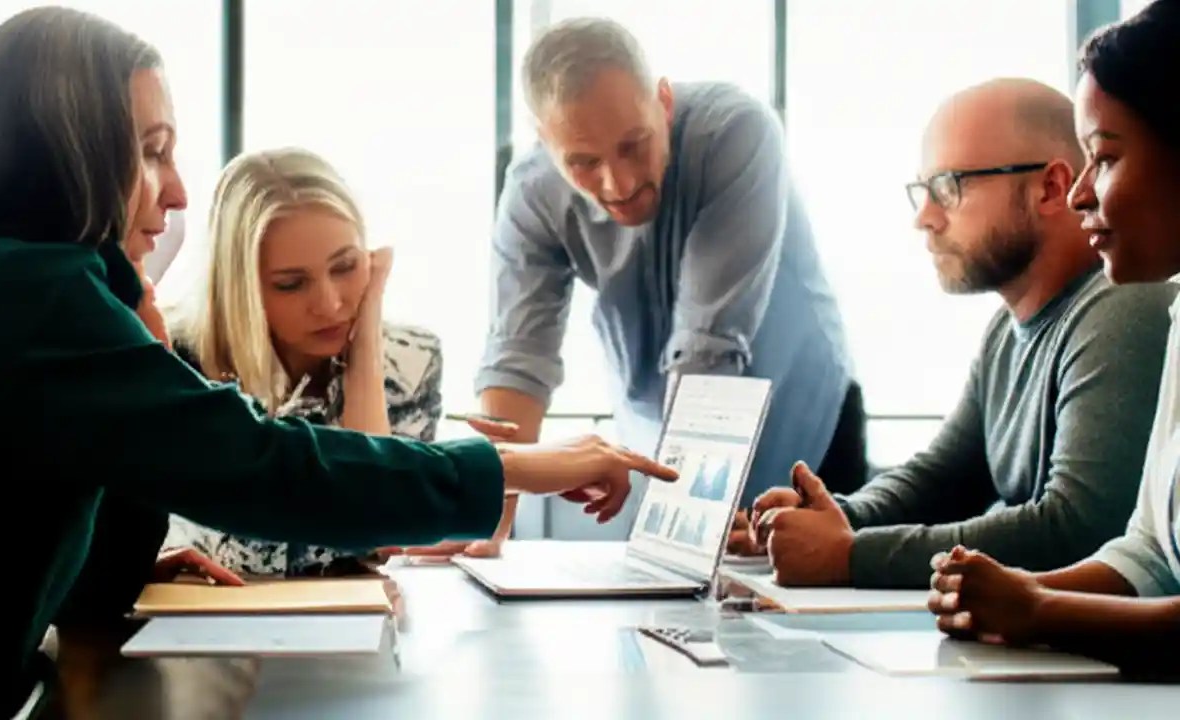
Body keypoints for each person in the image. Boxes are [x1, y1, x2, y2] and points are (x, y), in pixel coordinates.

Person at [0, 8, 676, 715]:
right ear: (63, 152)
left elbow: (98, 472)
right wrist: (516, 465)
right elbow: (263, 466)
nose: (175, 195)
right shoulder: (21, 294)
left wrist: (124, 565)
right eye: (151, 153)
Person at [740, 77, 1177, 589]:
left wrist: (852, 554)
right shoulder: (1007, 330)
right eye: (923, 191)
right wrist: (825, 518)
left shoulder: (1125, 306)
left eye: (949, 186)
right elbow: (943, 477)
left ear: (1051, 188)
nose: (924, 218)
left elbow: (1076, 528)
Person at [475, 17, 863, 546]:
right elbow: (517, 361)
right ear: (545, 140)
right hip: (666, 437)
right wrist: (486, 521)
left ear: (664, 101)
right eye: (584, 162)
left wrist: (689, 524)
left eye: (634, 145)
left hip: (804, 423)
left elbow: (709, 346)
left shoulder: (737, 133)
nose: (620, 182)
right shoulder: (531, 193)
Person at [928, 0, 1180, 674]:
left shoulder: (1125, 311)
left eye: (1104, 159)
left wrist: (1038, 610)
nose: (1081, 195)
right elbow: (1152, 555)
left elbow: (1076, 523)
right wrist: (1006, 593)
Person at [159, 146, 497, 573]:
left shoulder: (411, 362)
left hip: (353, 624)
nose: (330, 304)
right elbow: (242, 548)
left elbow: (381, 526)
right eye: (291, 284)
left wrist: (367, 347)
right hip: (193, 625)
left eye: (345, 267)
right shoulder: (177, 359)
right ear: (239, 286)